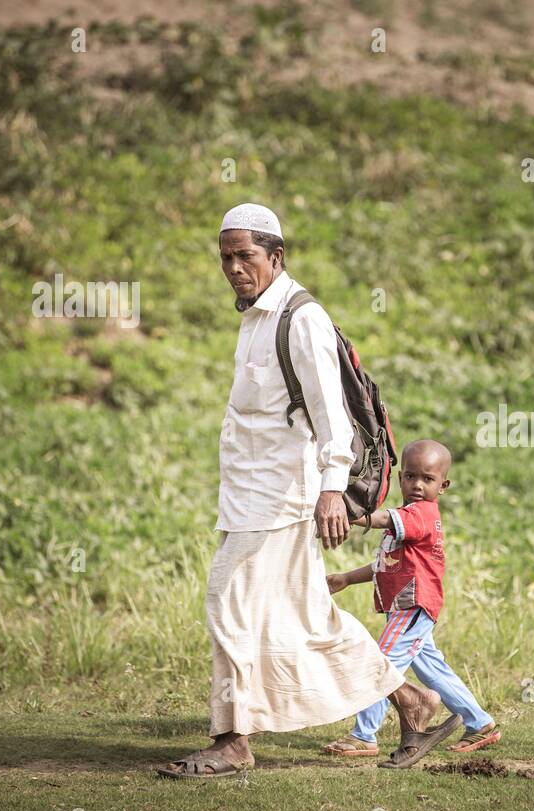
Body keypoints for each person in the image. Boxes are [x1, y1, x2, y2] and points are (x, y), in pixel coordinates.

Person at [159, 203, 453, 778]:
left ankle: (231, 740)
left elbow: (333, 418)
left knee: (226, 605)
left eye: (245, 255)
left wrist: (330, 491)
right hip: (248, 500)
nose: (235, 268)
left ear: (276, 256)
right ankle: (412, 703)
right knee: (305, 617)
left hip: (281, 501)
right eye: (226, 257)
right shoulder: (255, 320)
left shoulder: (302, 318)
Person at [323, 439, 500, 763]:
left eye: (428, 479)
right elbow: (385, 564)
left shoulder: (420, 514)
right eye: (411, 477)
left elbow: (382, 520)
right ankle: (479, 722)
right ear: (401, 476)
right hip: (412, 609)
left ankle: (364, 735)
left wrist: (351, 515)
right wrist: (347, 578)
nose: (417, 485)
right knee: (433, 670)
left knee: (381, 663)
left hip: (412, 607)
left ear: (443, 486)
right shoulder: (410, 516)